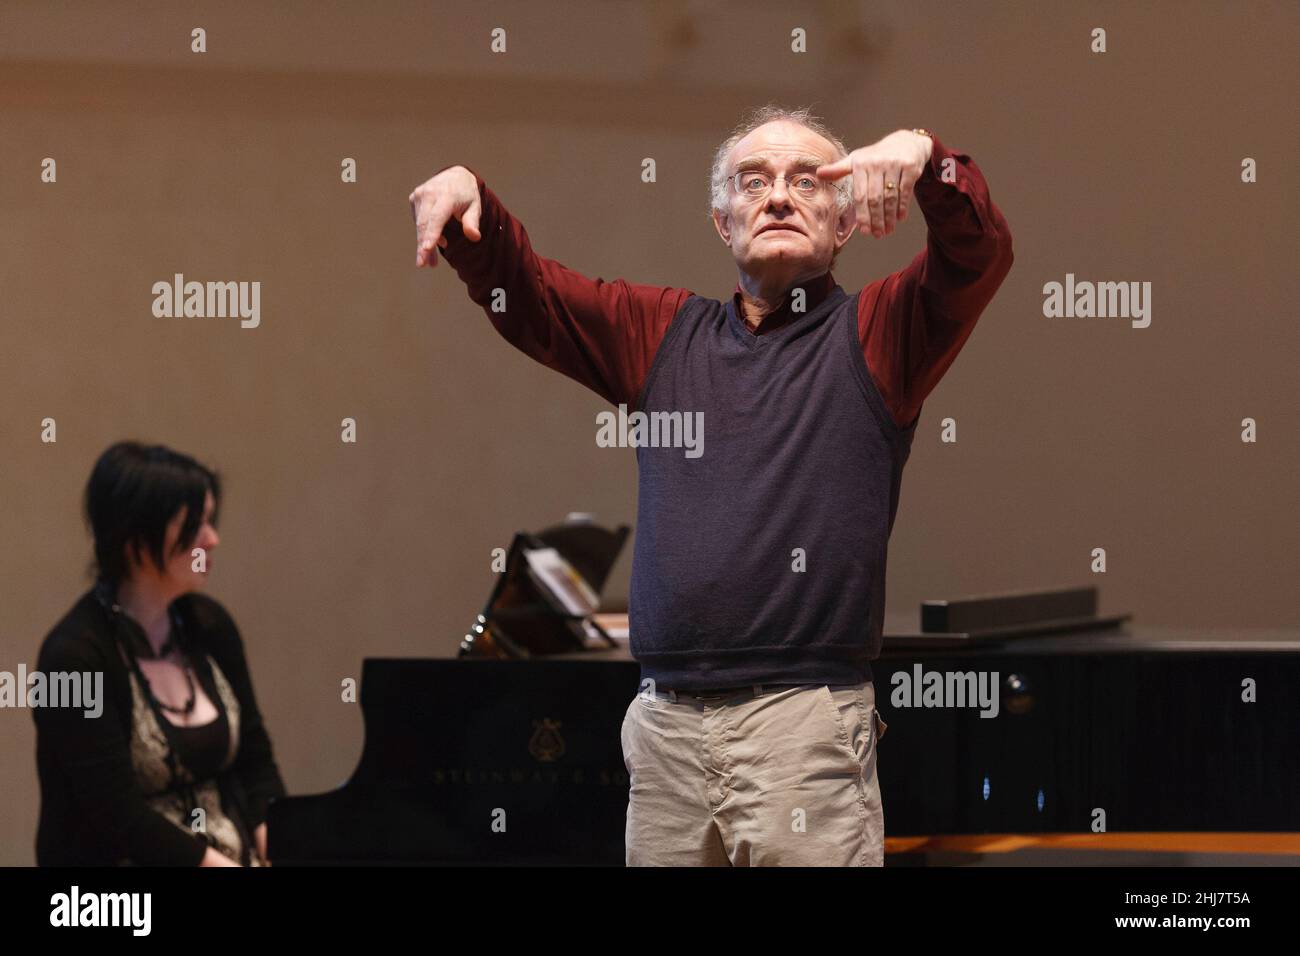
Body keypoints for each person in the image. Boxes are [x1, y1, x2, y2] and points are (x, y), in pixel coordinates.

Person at [409, 104, 1013, 866]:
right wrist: (475, 207)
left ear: (846, 221)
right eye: (752, 182)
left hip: (802, 723)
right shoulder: (666, 333)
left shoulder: (878, 330)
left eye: (808, 180)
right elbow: (533, 297)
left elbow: (977, 255)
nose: (780, 196)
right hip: (665, 732)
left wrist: (927, 158)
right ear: (724, 224)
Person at [34, 441, 285, 866]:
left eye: (211, 520)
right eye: (194, 525)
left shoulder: (210, 625)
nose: (213, 539)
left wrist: (275, 838)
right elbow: (114, 815)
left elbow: (256, 761)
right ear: (134, 538)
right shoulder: (71, 659)